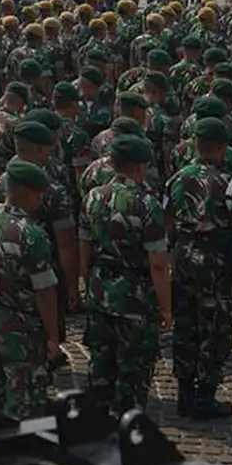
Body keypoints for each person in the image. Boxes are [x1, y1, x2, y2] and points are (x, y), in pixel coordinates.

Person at [165, 118, 232, 419]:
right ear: (221, 148)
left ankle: (183, 392)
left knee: (185, 325)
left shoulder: (177, 178)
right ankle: (205, 394)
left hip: (183, 256)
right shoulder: (231, 184)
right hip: (216, 261)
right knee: (215, 330)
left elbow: (167, 226)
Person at [79, 133, 172, 414]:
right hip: (135, 295)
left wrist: (87, 281)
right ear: (138, 167)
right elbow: (157, 263)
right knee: (133, 365)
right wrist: (166, 307)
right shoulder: (146, 204)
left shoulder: (94, 197)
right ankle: (127, 427)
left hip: (99, 286)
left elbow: (84, 245)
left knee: (101, 361)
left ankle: (97, 422)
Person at [0, 160, 66, 419]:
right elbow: (45, 292)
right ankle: (29, 448)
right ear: (29, 193)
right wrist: (53, 336)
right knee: (27, 403)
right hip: (22, 326)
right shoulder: (33, 235)